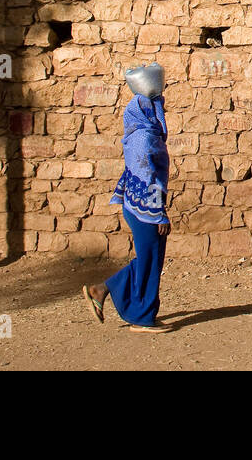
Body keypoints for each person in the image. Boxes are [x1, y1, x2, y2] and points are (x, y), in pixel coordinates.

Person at [82, 63, 172, 333]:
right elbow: (147, 177)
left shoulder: (138, 135)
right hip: (146, 208)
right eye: (155, 105)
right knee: (150, 260)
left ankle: (103, 291)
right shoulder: (145, 138)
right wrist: (158, 213)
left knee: (147, 258)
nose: (160, 111)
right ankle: (140, 317)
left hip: (135, 205)